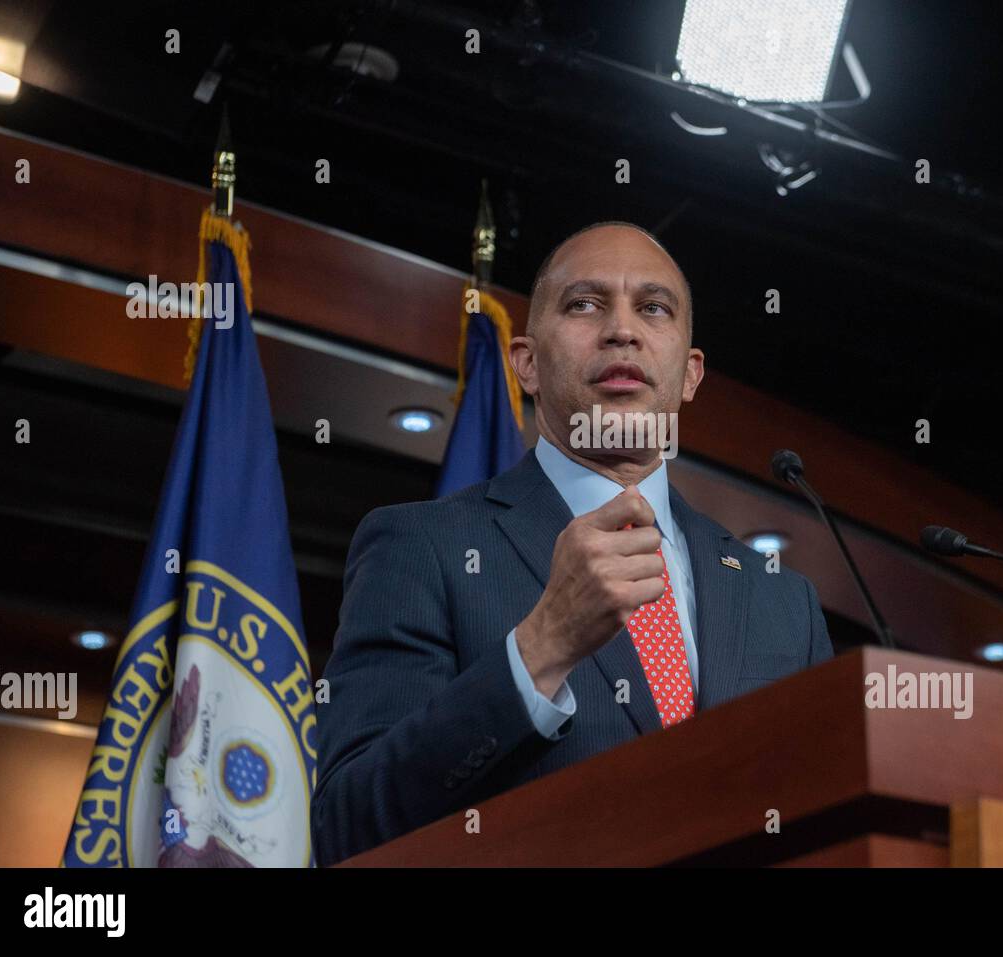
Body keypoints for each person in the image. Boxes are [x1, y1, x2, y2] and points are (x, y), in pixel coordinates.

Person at [312, 222, 832, 865]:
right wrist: (540, 650)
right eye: (584, 304)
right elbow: (348, 826)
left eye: (653, 308)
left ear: (690, 374)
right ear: (526, 362)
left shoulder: (782, 601)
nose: (622, 329)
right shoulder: (421, 547)